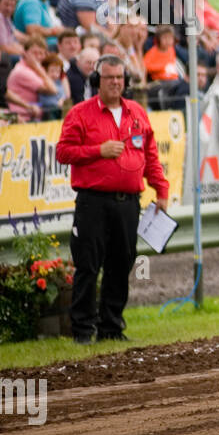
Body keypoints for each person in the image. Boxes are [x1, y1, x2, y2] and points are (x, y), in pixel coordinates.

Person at [56, 54, 169, 344]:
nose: (115, 83)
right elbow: (63, 152)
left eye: (120, 78)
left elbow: (151, 156)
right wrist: (98, 150)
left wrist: (161, 190)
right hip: (92, 202)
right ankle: (82, 330)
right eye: (109, 78)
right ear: (97, 81)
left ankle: (111, 327)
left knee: (121, 263)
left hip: (128, 202)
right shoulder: (80, 113)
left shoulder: (136, 113)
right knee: (88, 265)